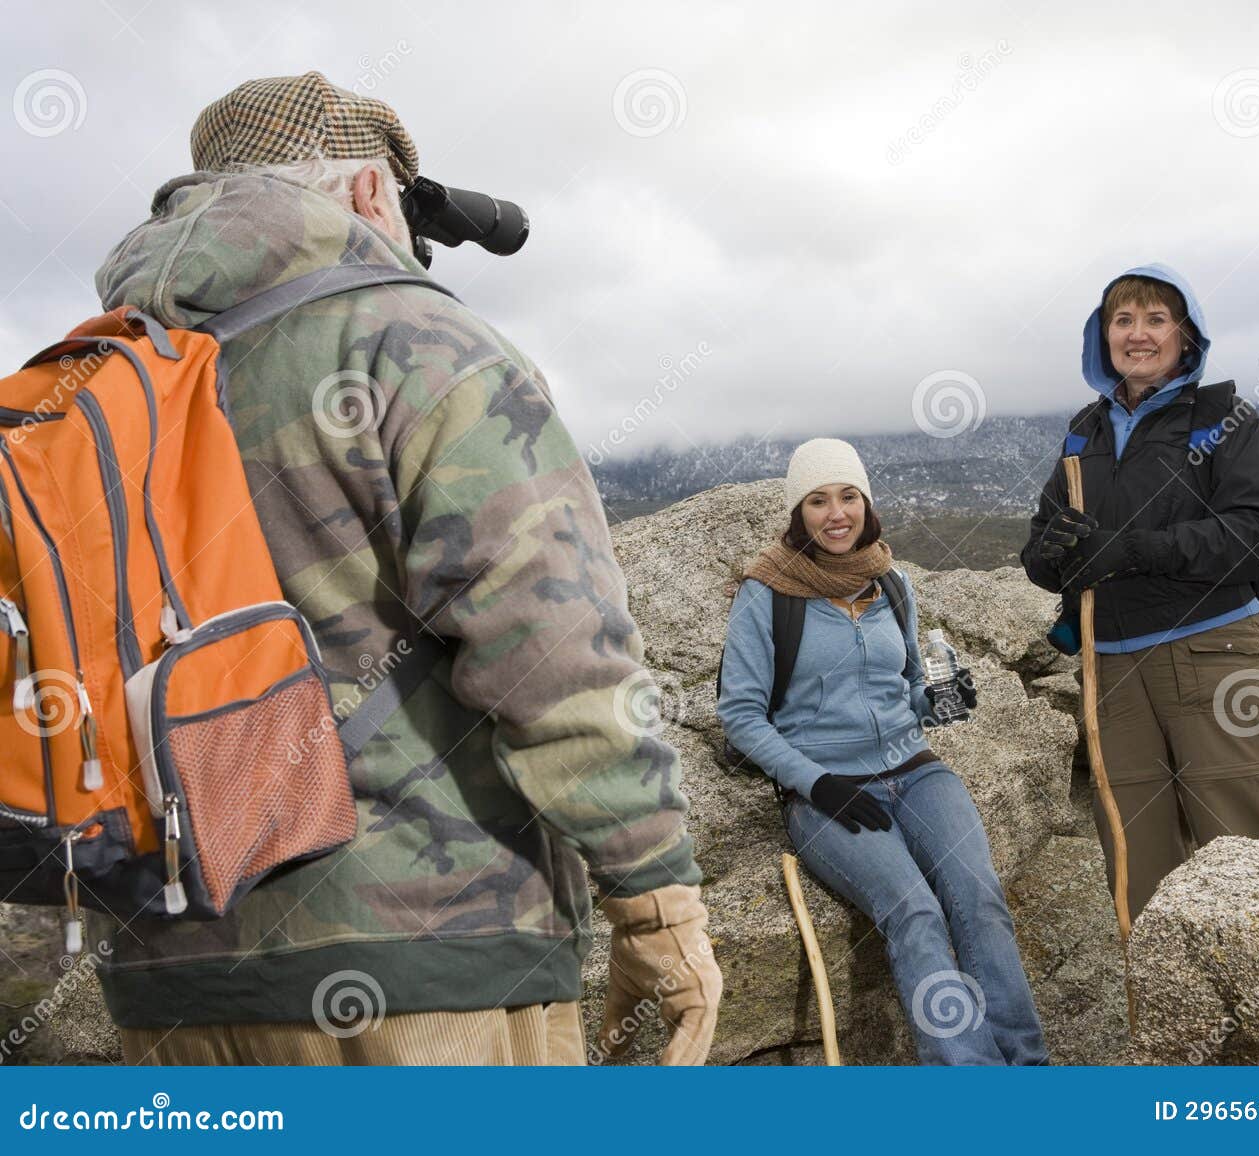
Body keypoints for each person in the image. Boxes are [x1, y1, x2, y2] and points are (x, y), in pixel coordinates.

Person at [91, 72, 720, 1065]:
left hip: (167, 976)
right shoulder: (412, 340)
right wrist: (657, 901)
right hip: (424, 966)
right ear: (371, 194)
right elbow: (552, 645)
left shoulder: (106, 376)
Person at [718, 438, 1046, 1065]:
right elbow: (739, 717)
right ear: (798, 513)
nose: (836, 513)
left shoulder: (888, 580)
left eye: (848, 496)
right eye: (818, 500)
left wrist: (939, 703)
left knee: (978, 899)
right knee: (914, 911)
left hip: (916, 770)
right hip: (828, 789)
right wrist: (813, 783)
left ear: (866, 504)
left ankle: (1027, 1069)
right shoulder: (767, 594)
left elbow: (904, 688)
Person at [1021, 264, 1259, 921]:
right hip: (1111, 672)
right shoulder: (1083, 433)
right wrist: (1045, 557)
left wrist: (1137, 549)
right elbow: (1047, 546)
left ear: (1185, 334)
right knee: (1137, 876)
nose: (1137, 334)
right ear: (1102, 336)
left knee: (1247, 864)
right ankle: (1164, 1021)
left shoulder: (1223, 417)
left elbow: (1257, 530)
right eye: (1123, 320)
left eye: (1155, 319)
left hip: (1212, 653)